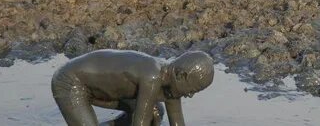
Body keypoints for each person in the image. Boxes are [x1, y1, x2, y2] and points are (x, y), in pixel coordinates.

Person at [51, 49, 214, 126]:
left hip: (106, 91)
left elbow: (177, 122)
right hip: (71, 81)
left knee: (156, 113)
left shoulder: (172, 85)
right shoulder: (152, 75)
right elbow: (140, 121)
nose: (191, 96)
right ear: (180, 75)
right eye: (193, 90)